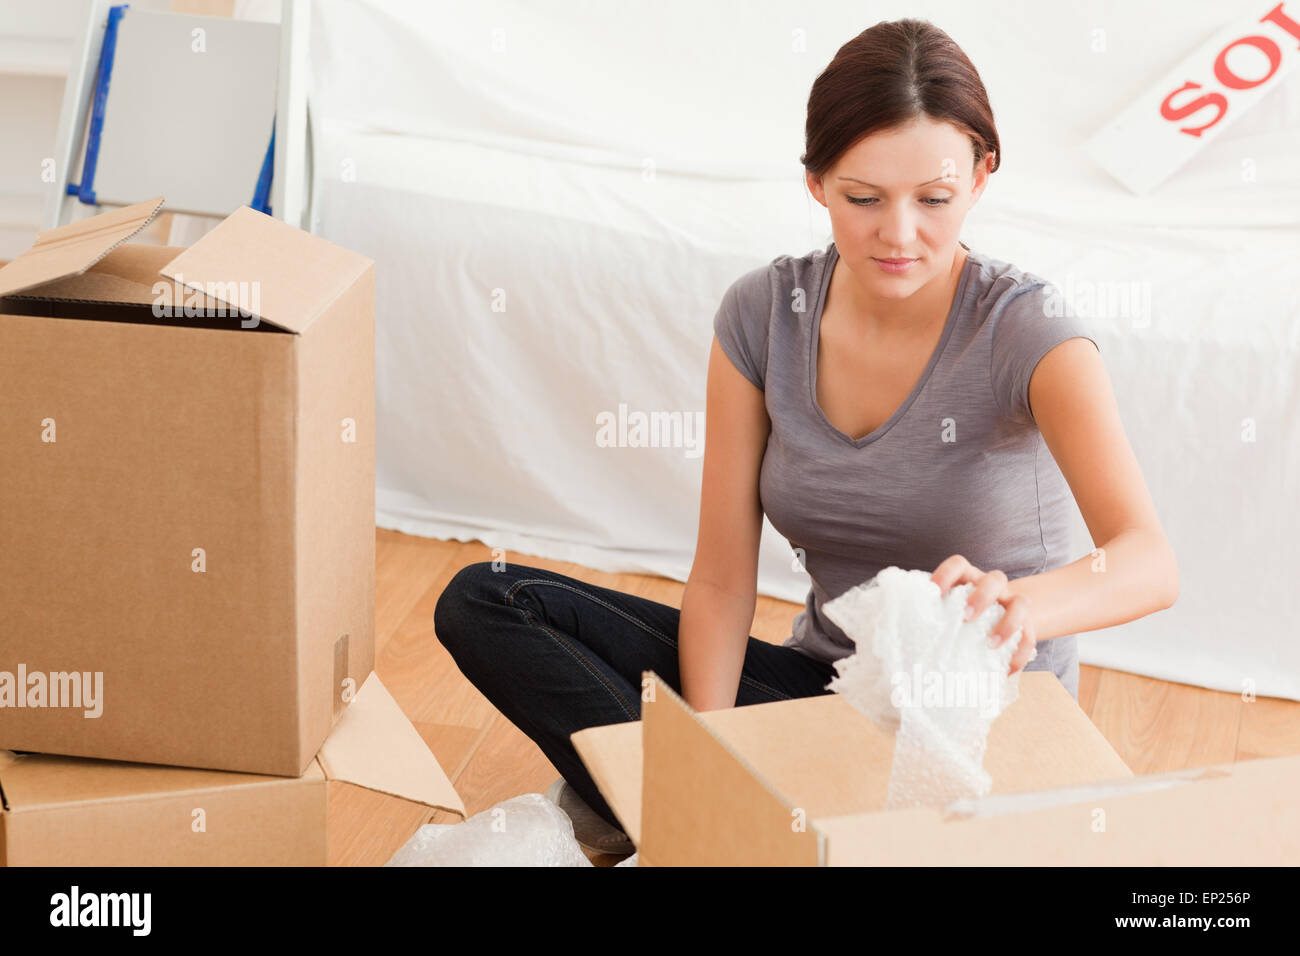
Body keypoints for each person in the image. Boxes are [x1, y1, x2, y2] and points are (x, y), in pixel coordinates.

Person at [434, 18, 1178, 856]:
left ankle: (683, 814)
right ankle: (712, 816)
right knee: (486, 600)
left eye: (933, 199)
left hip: (974, 728)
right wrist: (714, 750)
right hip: (826, 696)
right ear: (817, 183)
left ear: (980, 177)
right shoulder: (763, 316)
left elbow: (1148, 560)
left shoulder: (1027, 330)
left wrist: (1021, 604)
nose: (899, 234)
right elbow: (719, 580)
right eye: (864, 198)